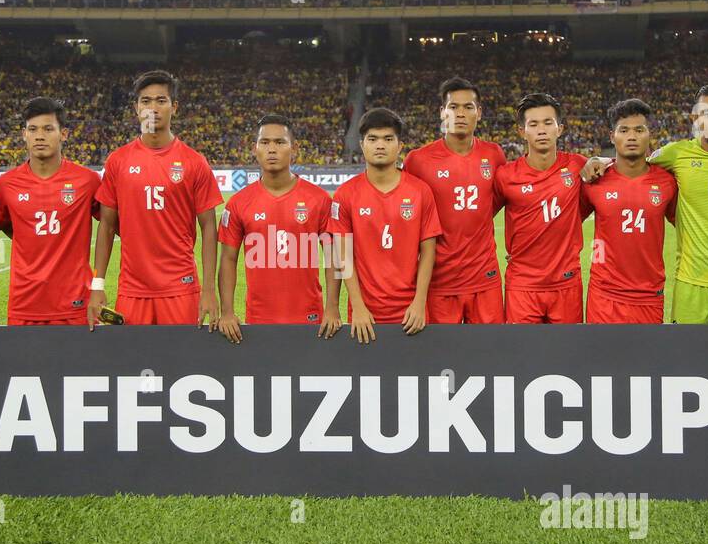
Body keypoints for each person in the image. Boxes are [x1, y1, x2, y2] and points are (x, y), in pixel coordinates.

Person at [587, 82, 708, 323]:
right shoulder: (676, 154)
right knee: (687, 357)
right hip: (690, 282)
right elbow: (635, 160)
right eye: (707, 113)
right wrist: (598, 159)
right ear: (695, 118)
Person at [87, 70, 222, 327]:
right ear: (136, 108)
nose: (153, 107)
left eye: (161, 100)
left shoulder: (194, 162)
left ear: (175, 107)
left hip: (181, 287)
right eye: (146, 101)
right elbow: (105, 226)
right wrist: (97, 284)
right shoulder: (118, 161)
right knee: (135, 365)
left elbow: (208, 227)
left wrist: (207, 290)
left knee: (182, 365)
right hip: (132, 288)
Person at [0, 97, 102, 325]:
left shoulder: (87, 181)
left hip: (75, 303)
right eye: (33, 129)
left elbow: (112, 227)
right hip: (25, 304)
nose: (40, 136)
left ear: (64, 134)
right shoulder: (7, 184)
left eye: (48, 129)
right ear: (24, 134)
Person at [217, 114, 341, 342]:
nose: (271, 149)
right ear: (255, 149)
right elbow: (227, 259)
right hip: (258, 320)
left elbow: (334, 256)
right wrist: (226, 311)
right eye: (265, 143)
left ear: (294, 148)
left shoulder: (319, 199)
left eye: (279, 142)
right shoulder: (238, 203)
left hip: (310, 319)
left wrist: (332, 307)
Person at [329, 108, 440, 343]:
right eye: (373, 139)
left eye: (388, 139)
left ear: (400, 146)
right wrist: (357, 306)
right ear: (362, 144)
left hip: (411, 312)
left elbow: (428, 251)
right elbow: (342, 255)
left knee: (413, 378)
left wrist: (419, 302)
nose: (380, 145)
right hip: (364, 314)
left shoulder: (420, 191)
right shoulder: (345, 195)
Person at [402, 76, 506, 324]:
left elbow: (498, 199)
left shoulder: (494, 154)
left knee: (489, 353)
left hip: (484, 278)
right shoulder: (418, 160)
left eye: (468, 107)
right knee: (443, 359)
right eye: (453, 107)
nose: (460, 113)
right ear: (442, 113)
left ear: (479, 113)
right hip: (440, 280)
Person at [491, 93, 587, 324]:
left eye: (548, 123)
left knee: (566, 355)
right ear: (522, 132)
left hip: (566, 283)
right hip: (523, 285)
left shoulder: (578, 166)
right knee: (524, 356)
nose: (541, 130)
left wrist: (598, 161)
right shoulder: (506, 175)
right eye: (533, 124)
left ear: (560, 129)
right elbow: (481, 218)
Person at [579, 99, 677, 324]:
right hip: (604, 296)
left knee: (646, 359)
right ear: (612, 136)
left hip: (649, 296)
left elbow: (687, 225)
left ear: (649, 134)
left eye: (639, 130)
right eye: (624, 130)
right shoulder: (594, 180)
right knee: (602, 358)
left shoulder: (667, 182)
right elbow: (565, 222)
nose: (631, 136)